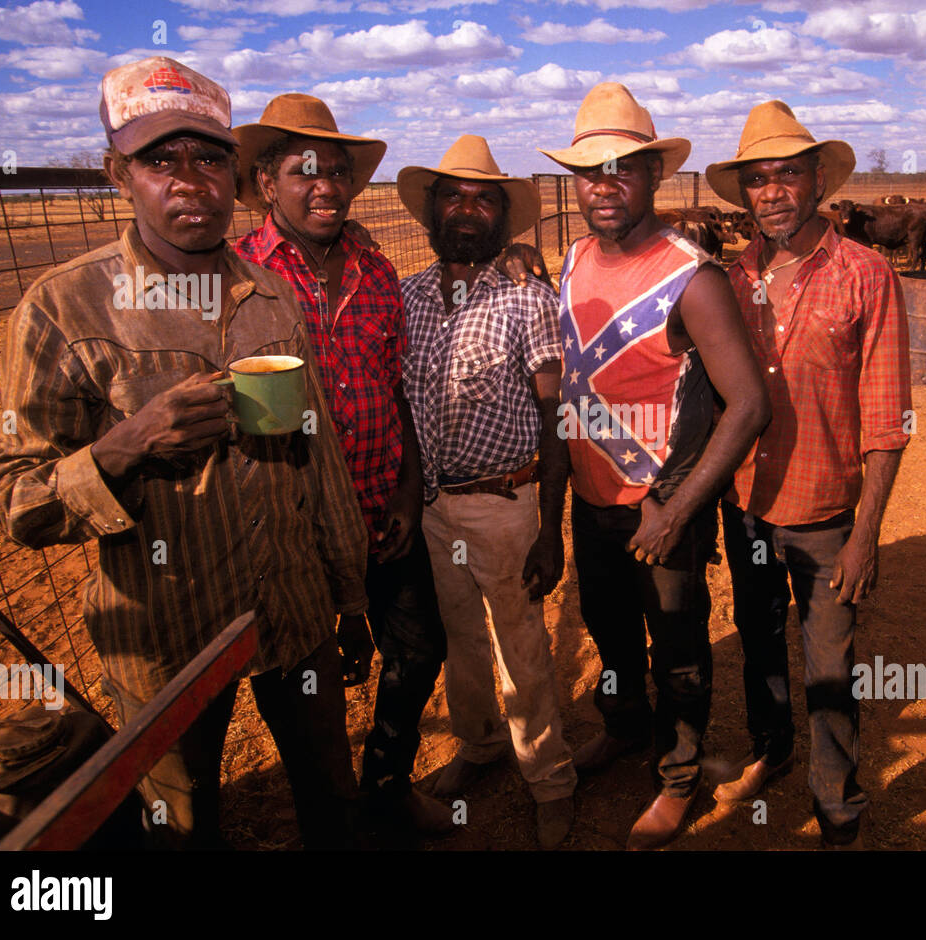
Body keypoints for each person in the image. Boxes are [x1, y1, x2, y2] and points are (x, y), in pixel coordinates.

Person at [0, 57, 369, 850]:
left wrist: (349, 592)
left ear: (237, 175)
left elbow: (318, 452)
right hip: (167, 640)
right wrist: (123, 448)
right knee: (182, 821)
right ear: (117, 173)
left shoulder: (272, 295)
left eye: (209, 157)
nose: (189, 181)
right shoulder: (63, 308)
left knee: (332, 792)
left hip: (295, 612)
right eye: (161, 159)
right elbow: (18, 502)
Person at [539, 83, 771, 850]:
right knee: (609, 632)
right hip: (593, 500)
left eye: (623, 169)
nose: (605, 186)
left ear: (652, 177)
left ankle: (677, 776)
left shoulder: (691, 276)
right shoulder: (570, 259)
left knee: (677, 648)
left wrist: (679, 509)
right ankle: (623, 725)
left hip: (660, 505)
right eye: (591, 171)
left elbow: (747, 405)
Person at [232, 93, 451, 839]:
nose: (326, 184)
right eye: (305, 170)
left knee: (419, 650)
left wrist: (410, 491)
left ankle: (386, 782)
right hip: (290, 531)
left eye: (338, 170)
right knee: (308, 691)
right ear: (266, 183)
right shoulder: (237, 281)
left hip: (381, 509)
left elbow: (393, 387)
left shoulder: (377, 270)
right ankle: (333, 816)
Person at [703, 100, 912, 847]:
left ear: (816, 178)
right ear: (745, 192)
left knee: (830, 665)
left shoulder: (867, 274)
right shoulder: (731, 278)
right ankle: (771, 750)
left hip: (827, 514)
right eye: (758, 179)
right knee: (757, 635)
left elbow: (887, 419)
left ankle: (837, 806)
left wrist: (867, 534)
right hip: (747, 503)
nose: (774, 191)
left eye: (788, 174)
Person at [394, 134, 577, 849]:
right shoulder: (404, 298)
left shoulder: (528, 300)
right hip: (434, 508)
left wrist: (550, 526)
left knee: (521, 648)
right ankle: (478, 745)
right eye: (454, 196)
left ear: (502, 219)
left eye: (484, 200)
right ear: (433, 210)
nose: (468, 210)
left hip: (506, 506)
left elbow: (555, 416)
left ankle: (551, 778)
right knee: (461, 642)